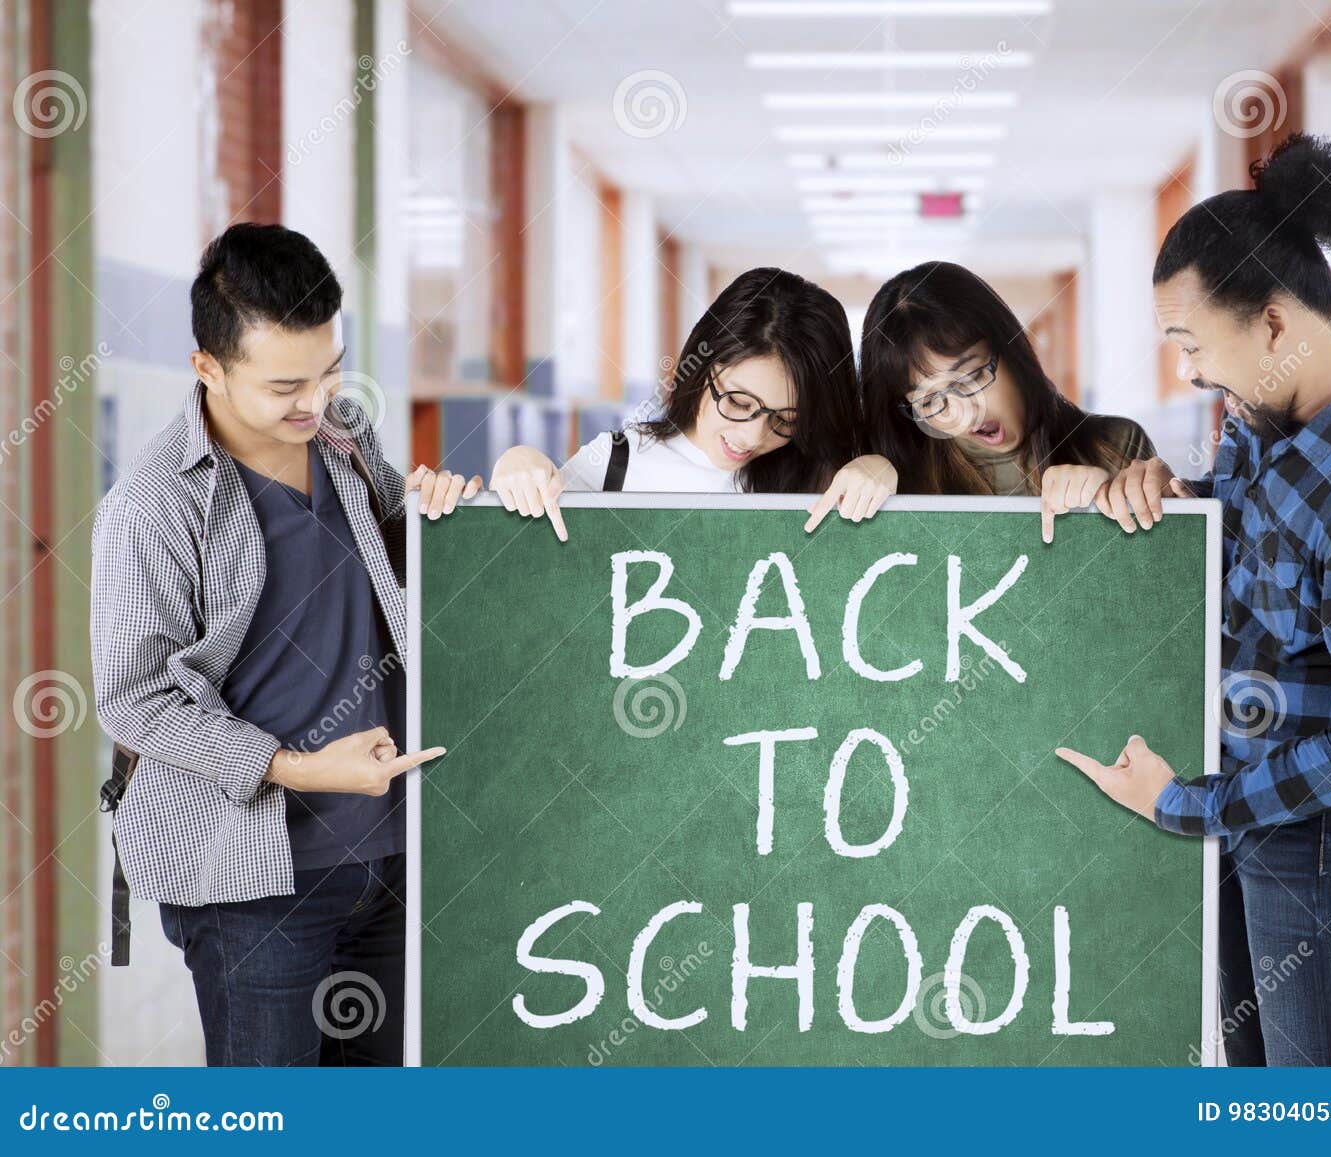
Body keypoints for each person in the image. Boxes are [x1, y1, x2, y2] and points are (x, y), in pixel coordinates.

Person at [1056, 135, 1331, 1067]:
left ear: (1276, 324)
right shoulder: (1271, 397)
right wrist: (1176, 493)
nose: (1190, 371)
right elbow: (1252, 536)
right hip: (1253, 797)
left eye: (1193, 345)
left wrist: (1188, 805)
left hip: (1327, 839)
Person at [90, 222, 476, 1065]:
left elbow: (378, 568)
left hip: (387, 856)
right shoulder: (155, 505)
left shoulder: (340, 433)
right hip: (251, 884)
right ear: (207, 368)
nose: (316, 401)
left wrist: (435, 515)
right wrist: (300, 769)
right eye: (284, 386)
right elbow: (135, 699)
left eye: (330, 370)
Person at [489, 267, 896, 536]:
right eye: (738, 403)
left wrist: (878, 467)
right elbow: (530, 544)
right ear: (701, 368)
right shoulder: (619, 462)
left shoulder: (821, 477)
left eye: (786, 420)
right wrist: (518, 463)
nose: (752, 437)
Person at [859, 260, 1154, 541]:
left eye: (971, 377)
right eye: (931, 401)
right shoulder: (899, 481)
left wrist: (1105, 506)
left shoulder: (1116, 445)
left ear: (1011, 348)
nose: (962, 413)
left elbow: (1169, 577)